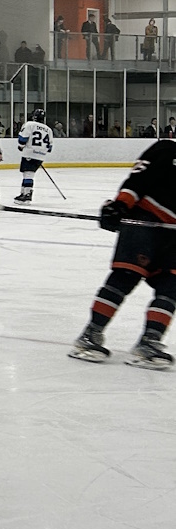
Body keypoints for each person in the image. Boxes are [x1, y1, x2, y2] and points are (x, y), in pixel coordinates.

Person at [68, 137, 176, 369]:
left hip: (172, 234)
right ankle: (90, 336)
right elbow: (138, 178)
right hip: (144, 221)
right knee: (125, 277)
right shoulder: (167, 148)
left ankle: (149, 342)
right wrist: (120, 205)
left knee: (171, 286)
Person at [14, 107, 54, 203]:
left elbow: (22, 139)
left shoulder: (29, 124)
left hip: (29, 153)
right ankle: (23, 193)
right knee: (28, 173)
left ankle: (27, 195)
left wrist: (21, 146)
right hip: (41, 156)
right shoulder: (48, 129)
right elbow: (49, 148)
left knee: (28, 174)